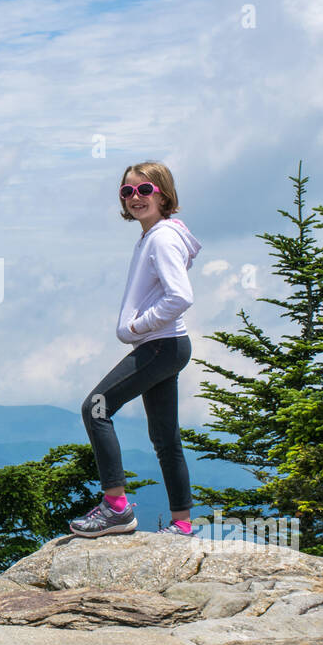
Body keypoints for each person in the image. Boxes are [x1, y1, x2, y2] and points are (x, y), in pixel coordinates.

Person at [70, 160, 202, 538]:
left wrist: (138, 326)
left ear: (164, 194)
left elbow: (180, 297)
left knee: (95, 408)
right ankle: (181, 523)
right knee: (165, 438)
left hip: (161, 344)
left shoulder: (161, 238)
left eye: (145, 189)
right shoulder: (154, 236)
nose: (135, 198)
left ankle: (116, 507)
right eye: (127, 191)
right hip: (166, 346)